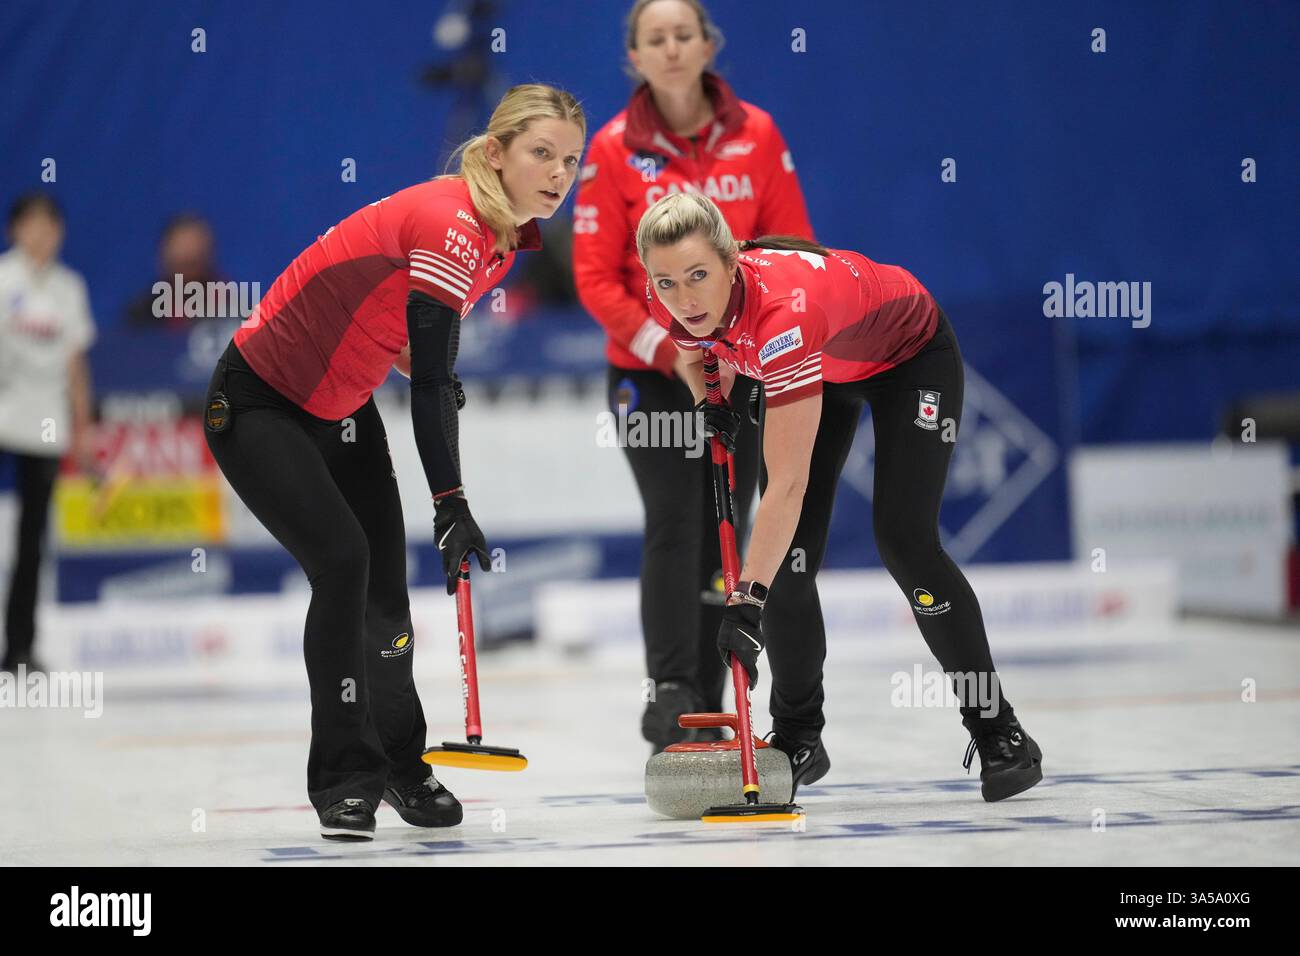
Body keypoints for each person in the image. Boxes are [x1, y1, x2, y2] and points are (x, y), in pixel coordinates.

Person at [203, 84, 586, 840]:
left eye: (571, 160)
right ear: (494, 153)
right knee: (344, 564)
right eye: (541, 153)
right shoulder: (456, 225)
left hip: (342, 408)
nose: (558, 173)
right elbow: (435, 382)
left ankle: (402, 768)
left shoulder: (505, 241)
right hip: (257, 404)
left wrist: (430, 378)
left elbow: (412, 351)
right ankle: (345, 779)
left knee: (386, 594)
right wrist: (451, 500)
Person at [636, 191, 1044, 803]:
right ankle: (800, 736)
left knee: (906, 543)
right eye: (667, 283)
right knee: (790, 563)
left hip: (908, 357)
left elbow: (789, 482)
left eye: (698, 276)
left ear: (730, 260)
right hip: (829, 363)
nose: (685, 298)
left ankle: (999, 731)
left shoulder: (781, 315)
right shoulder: (677, 298)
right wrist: (709, 398)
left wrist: (745, 603)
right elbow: (697, 348)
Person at [572, 0, 813, 751]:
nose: (672, 48)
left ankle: (721, 687)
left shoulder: (758, 134)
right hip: (650, 376)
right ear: (633, 58)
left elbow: (792, 247)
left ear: (708, 45)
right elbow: (594, 276)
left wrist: (746, 346)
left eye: (684, 35)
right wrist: (665, 346)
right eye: (655, 39)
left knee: (727, 528)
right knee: (675, 520)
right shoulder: (613, 149)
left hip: (742, 367)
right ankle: (672, 690)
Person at [0, 193, 97, 673]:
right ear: (14, 230)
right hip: (3, 415)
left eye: (49, 226)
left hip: (44, 427)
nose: (41, 236)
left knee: (31, 541)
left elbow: (75, 365)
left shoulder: (68, 288)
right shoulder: (2, 280)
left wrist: (82, 431)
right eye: (31, 225)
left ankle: (18, 649)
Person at [125, 213, 224, 328]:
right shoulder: (143, 313)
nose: (189, 256)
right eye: (181, 259)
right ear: (163, 257)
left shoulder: (231, 309)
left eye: (194, 260)